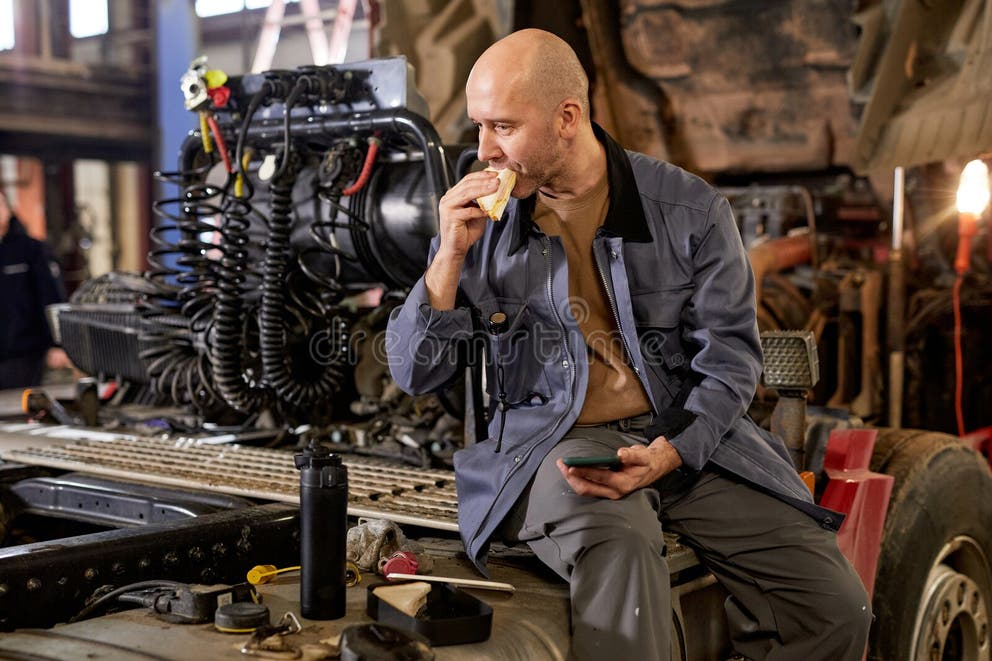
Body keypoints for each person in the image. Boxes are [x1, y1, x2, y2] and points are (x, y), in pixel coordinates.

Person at [387, 29, 871, 660]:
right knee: (622, 550)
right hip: (557, 444)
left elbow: (730, 361)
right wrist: (448, 258)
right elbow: (414, 372)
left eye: (502, 127)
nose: (485, 151)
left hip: (692, 440)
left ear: (568, 118)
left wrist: (674, 451)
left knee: (834, 607)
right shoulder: (482, 220)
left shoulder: (690, 210)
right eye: (479, 127)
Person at [0, 189, 70, 390]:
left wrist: (58, 344)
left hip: (22, 354)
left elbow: (52, 296)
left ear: (8, 210)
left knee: (17, 412)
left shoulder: (32, 250)